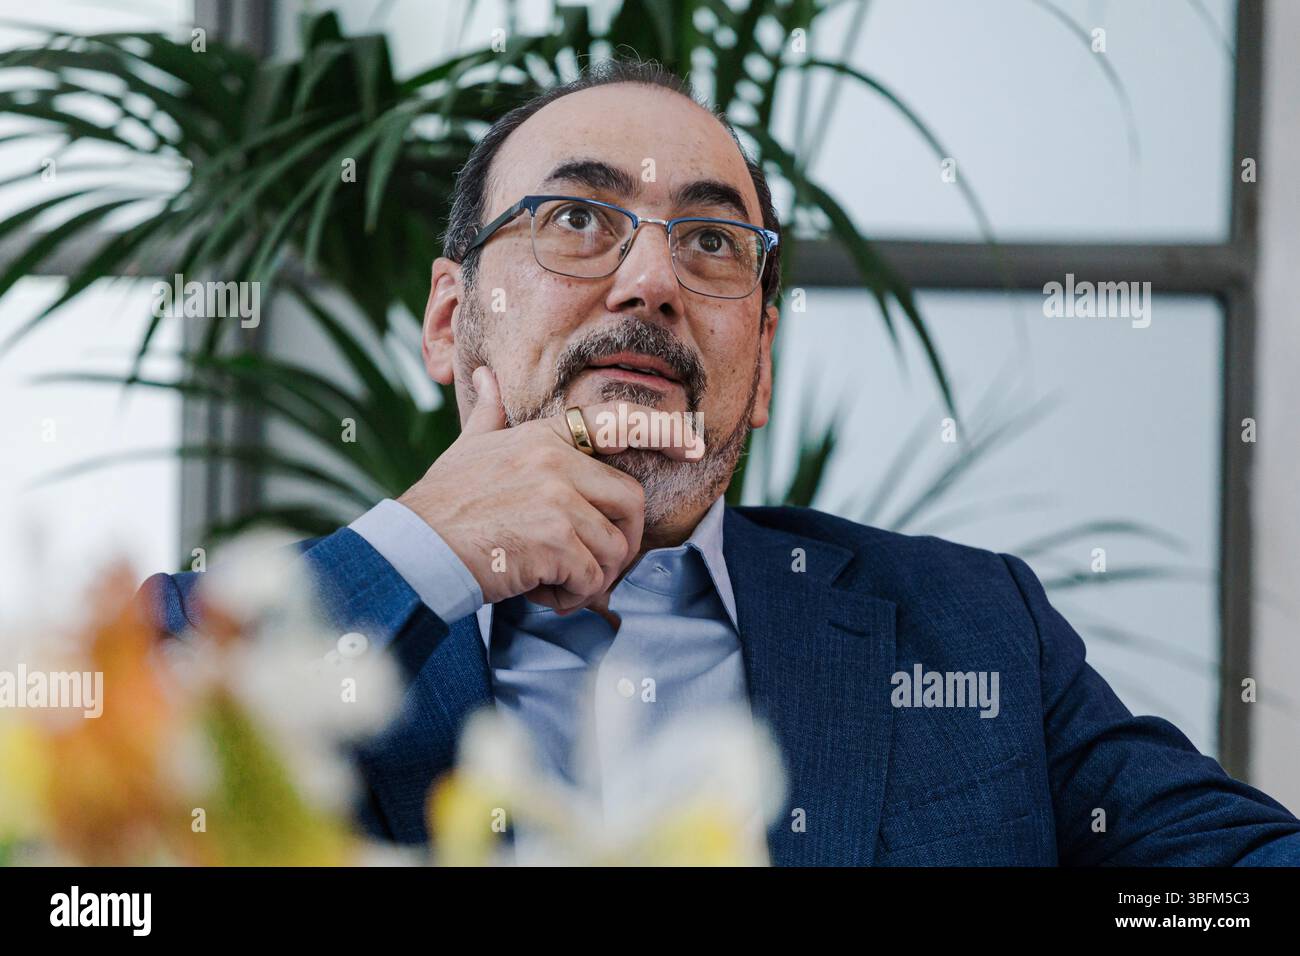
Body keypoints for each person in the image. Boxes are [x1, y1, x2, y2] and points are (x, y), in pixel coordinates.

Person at [139, 60, 1300, 865]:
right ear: (451, 320)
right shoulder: (234, 630)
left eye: (709, 242)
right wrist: (422, 546)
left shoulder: (974, 630)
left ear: (763, 352)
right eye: (577, 220)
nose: (649, 282)